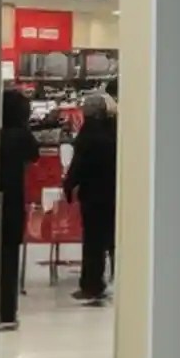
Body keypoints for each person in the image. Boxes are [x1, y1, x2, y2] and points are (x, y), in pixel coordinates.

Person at [63, 92, 118, 301]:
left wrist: (69, 185)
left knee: (93, 242)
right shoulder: (114, 131)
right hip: (113, 192)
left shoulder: (87, 134)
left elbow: (79, 164)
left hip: (93, 195)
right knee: (113, 239)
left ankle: (92, 284)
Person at [0, 89, 40, 328]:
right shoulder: (23, 137)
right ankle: (6, 312)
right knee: (9, 257)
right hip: (13, 201)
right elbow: (34, 156)